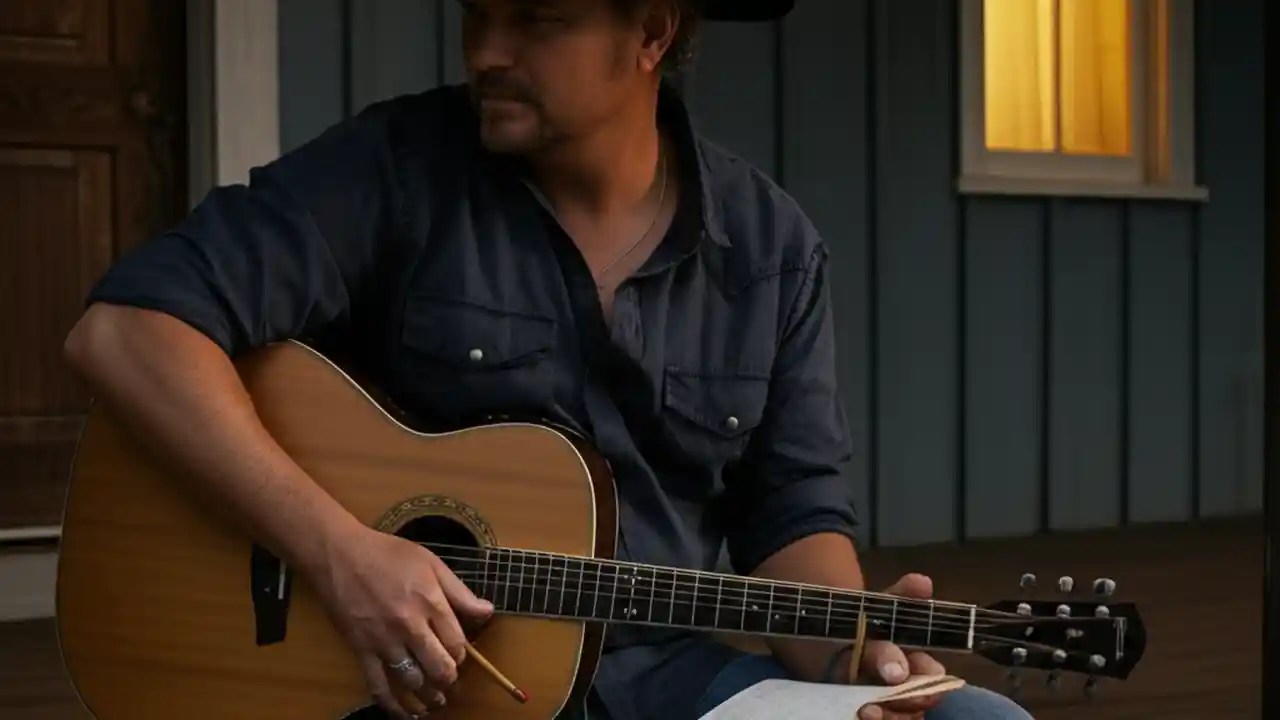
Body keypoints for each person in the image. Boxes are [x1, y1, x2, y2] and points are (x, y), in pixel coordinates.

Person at [63, 1, 1033, 719]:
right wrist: (341, 551)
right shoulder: (392, 169)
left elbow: (791, 514)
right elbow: (128, 331)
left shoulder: (770, 249)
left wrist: (853, 657)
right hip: (409, 689)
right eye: (477, 15)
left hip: (662, 681)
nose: (487, 51)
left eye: (534, 19)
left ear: (649, 33)